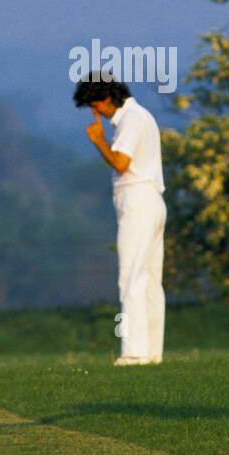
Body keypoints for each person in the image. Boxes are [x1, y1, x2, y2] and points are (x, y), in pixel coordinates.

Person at [74, 73, 166, 366]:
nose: (95, 112)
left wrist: (99, 142)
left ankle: (135, 352)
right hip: (151, 200)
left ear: (106, 99)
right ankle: (151, 354)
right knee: (149, 279)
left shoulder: (131, 120)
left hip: (139, 201)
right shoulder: (141, 116)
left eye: (95, 105)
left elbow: (121, 163)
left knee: (131, 277)